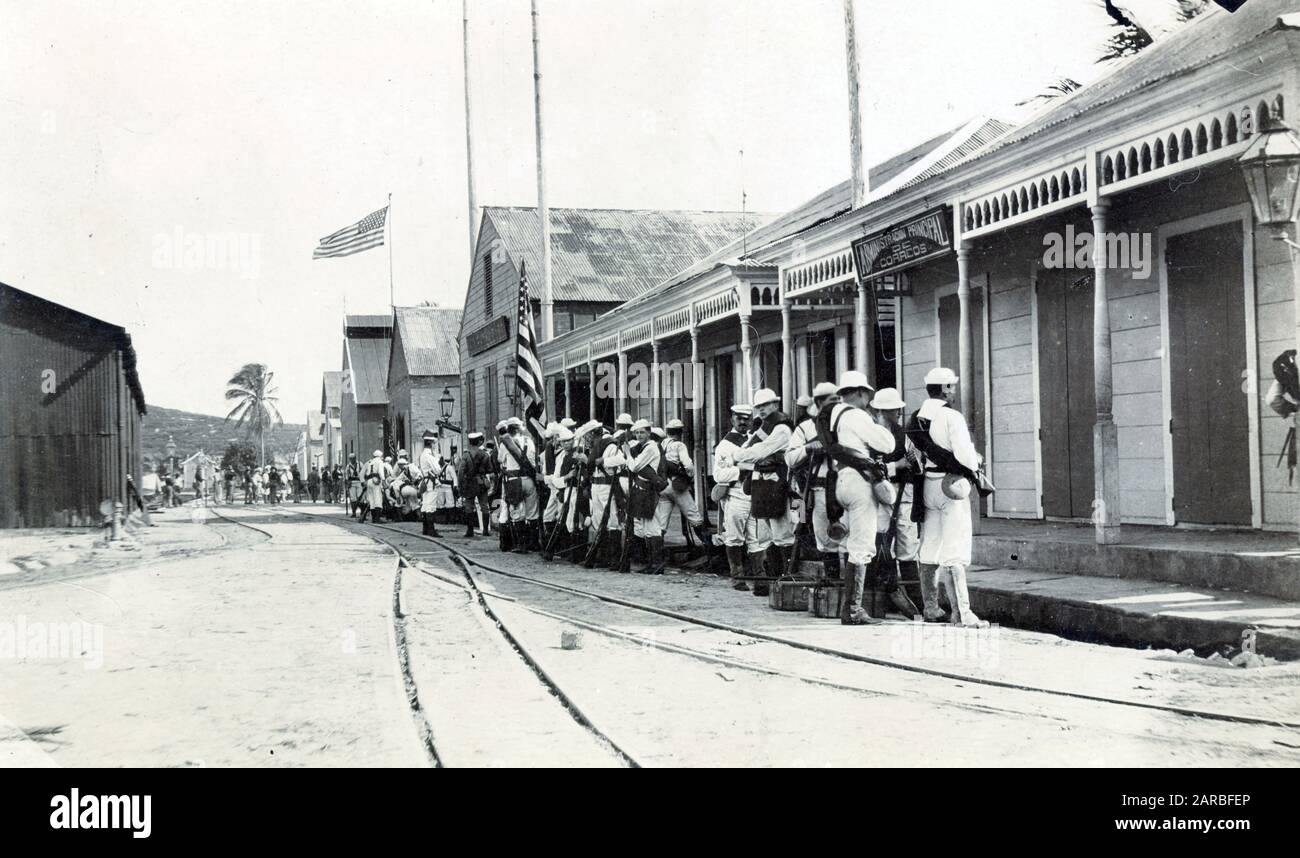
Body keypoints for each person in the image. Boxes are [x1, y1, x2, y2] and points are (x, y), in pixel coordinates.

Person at [908, 367, 987, 628]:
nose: (954, 392)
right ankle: (963, 613)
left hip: (927, 486)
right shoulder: (952, 417)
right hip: (950, 485)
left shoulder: (915, 417)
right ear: (945, 390)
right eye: (952, 387)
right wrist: (976, 463)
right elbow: (964, 455)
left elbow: (912, 455)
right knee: (956, 547)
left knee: (930, 546)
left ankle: (931, 608)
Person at [824, 371, 896, 625]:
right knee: (863, 545)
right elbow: (886, 445)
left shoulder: (834, 414)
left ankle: (851, 607)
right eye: (866, 394)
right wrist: (882, 424)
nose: (868, 399)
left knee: (852, 541)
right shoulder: (856, 415)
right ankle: (853, 609)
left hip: (841, 480)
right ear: (857, 392)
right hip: (860, 482)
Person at [732, 388, 796, 597]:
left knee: (781, 533)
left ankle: (785, 581)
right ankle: (771, 582)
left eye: (766, 405)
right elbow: (744, 454)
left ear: (775, 405)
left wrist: (749, 457)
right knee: (765, 535)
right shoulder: (762, 428)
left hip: (778, 482)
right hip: (761, 483)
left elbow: (757, 452)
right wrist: (748, 457)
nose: (761, 410)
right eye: (758, 407)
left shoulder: (781, 428)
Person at [786, 382, 844, 580]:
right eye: (831, 400)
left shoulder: (846, 422)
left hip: (845, 486)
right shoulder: (805, 427)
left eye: (838, 400)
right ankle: (832, 582)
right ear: (819, 402)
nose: (836, 404)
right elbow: (790, 459)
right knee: (822, 536)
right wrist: (810, 448)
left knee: (848, 536)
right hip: (816, 489)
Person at [656, 417, 712, 563]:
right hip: (677, 485)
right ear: (680, 432)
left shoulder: (661, 444)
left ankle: (656, 556)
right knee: (694, 517)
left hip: (663, 486)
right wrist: (691, 477)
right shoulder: (679, 445)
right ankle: (710, 550)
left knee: (662, 523)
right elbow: (687, 464)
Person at [714, 403, 753, 590]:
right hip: (736, 492)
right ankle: (737, 576)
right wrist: (739, 469)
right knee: (734, 536)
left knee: (757, 537)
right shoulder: (725, 445)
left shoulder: (755, 440)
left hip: (755, 493)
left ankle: (759, 577)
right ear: (732, 419)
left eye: (747, 419)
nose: (743, 422)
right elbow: (719, 475)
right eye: (739, 418)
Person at [622, 419, 665, 574]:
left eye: (642, 432)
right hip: (643, 488)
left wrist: (627, 454)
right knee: (647, 527)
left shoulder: (650, 448)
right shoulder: (645, 447)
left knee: (653, 527)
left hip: (649, 489)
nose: (639, 435)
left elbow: (634, 466)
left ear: (648, 433)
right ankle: (652, 563)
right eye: (637, 433)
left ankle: (657, 564)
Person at [499, 417, 539, 552]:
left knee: (517, 513)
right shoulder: (529, 441)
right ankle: (534, 544)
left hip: (514, 480)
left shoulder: (505, 443)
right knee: (532, 512)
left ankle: (521, 545)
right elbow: (533, 462)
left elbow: (500, 460)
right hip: (529, 479)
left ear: (509, 430)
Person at [458, 432, 492, 538]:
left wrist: (460, 486)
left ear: (470, 442)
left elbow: (460, 472)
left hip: (469, 484)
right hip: (481, 483)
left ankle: (470, 530)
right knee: (484, 506)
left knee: (469, 507)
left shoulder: (466, 455)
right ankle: (485, 530)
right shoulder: (485, 454)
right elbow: (490, 470)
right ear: (479, 441)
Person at [362, 450, 390, 524]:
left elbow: (366, 473)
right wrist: (383, 481)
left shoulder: (370, 462)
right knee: (378, 499)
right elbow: (380, 472)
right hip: (376, 480)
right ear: (380, 456)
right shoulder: (379, 462)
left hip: (369, 481)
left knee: (371, 500)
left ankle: (373, 518)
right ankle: (377, 518)